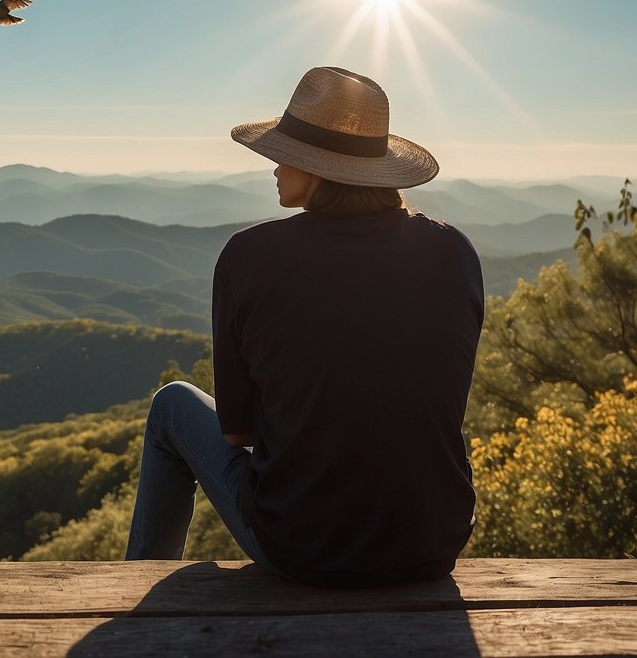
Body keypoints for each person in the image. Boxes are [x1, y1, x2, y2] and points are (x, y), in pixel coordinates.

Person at [125, 66, 484, 588]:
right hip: (431, 542)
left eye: (284, 153)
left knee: (171, 405)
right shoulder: (454, 252)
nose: (273, 165)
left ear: (315, 169)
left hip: (302, 547)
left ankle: (136, 588)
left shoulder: (251, 256)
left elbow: (238, 432)